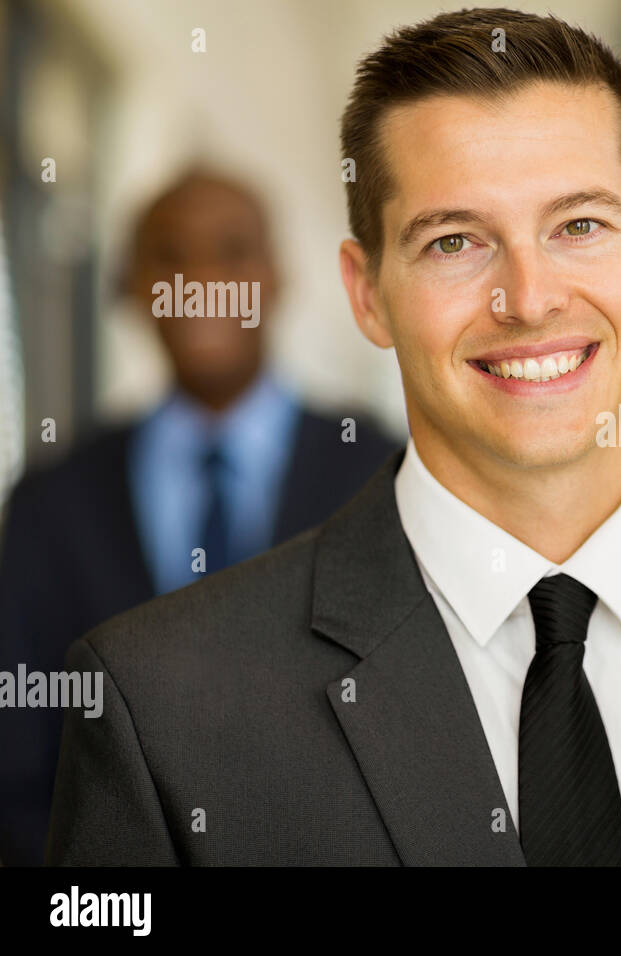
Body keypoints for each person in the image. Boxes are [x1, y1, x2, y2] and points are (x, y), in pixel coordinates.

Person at [43, 8, 621, 867]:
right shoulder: (163, 707)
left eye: (580, 224)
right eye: (454, 241)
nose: (531, 298)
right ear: (366, 290)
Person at [0, 169, 397, 866]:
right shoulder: (50, 504)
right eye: (171, 256)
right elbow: (17, 774)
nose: (203, 281)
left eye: (234, 250)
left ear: (278, 276)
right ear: (129, 284)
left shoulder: (379, 477)